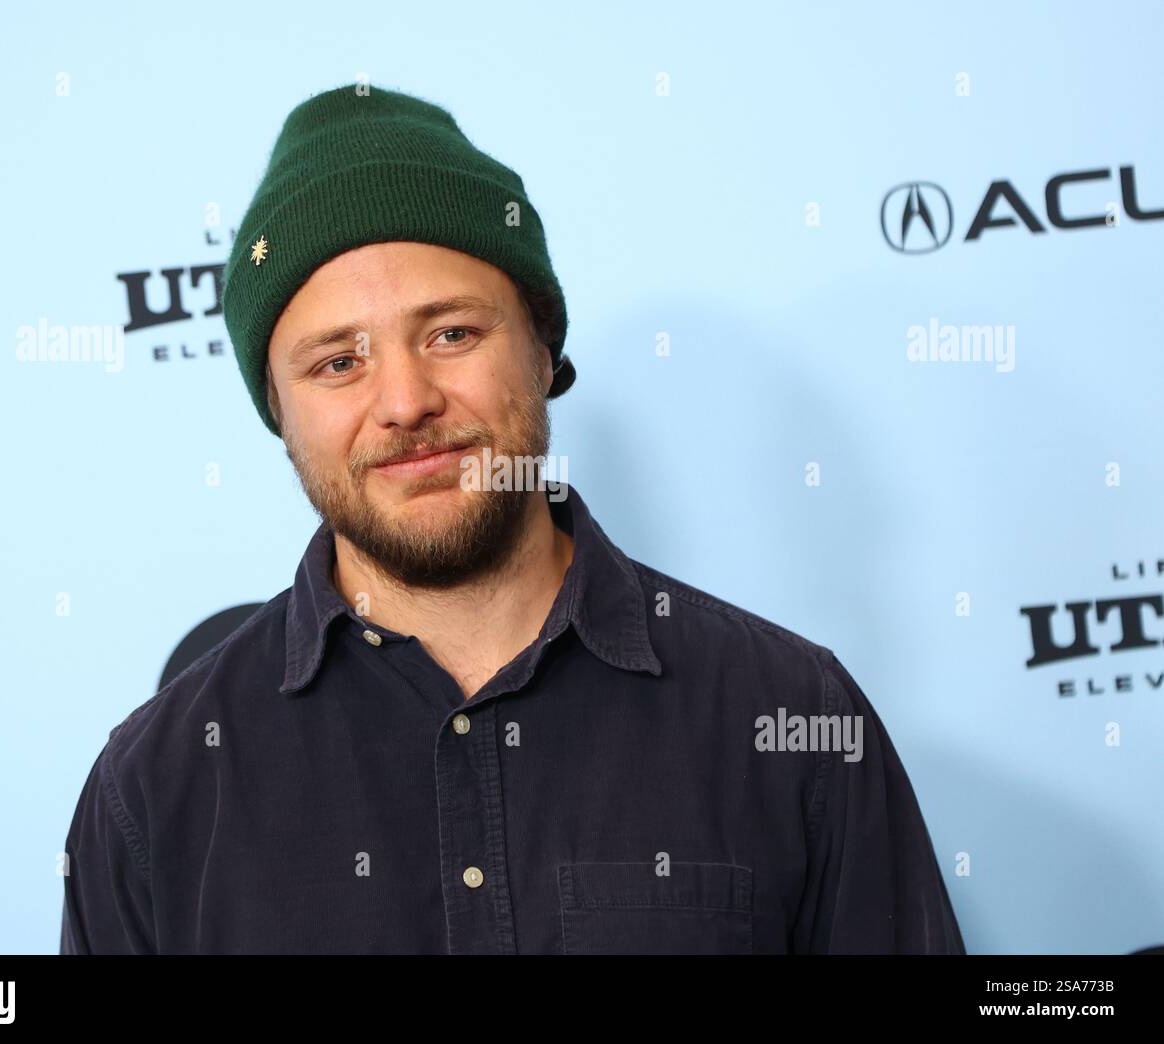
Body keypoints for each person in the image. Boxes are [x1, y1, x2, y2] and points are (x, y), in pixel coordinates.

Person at [59, 83, 965, 955]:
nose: (406, 402)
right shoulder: (156, 790)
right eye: (338, 363)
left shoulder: (789, 715)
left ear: (541, 348)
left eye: (451, 333)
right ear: (280, 413)